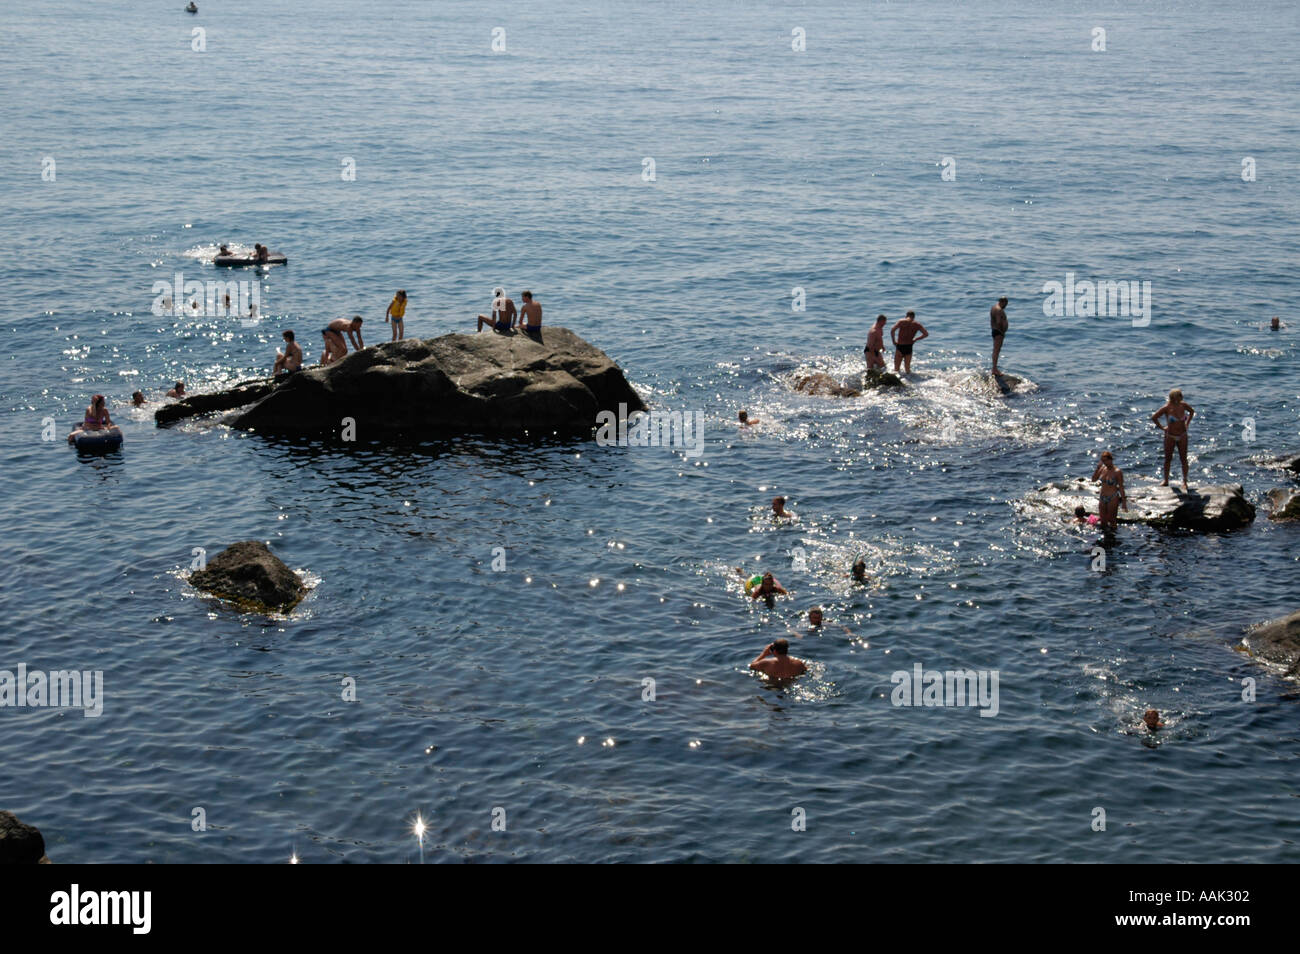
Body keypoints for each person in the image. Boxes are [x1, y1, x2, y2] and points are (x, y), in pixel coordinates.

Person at [1151, 388, 1195, 489]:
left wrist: (1187, 423)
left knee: (1183, 459)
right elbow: (1154, 417)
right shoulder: (1167, 407)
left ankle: (1184, 481)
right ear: (1174, 397)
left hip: (1182, 435)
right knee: (1168, 459)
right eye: (1179, 395)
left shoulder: (1183, 405)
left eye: (1181, 395)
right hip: (1170, 436)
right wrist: (1162, 428)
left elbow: (1192, 412)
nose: (1181, 397)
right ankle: (1166, 480)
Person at [1091, 451, 1127, 532]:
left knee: (1112, 520)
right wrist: (1097, 469)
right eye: (1103, 461)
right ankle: (1105, 540)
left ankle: (1113, 539)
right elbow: (1093, 479)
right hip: (1102, 497)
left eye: (1106, 461)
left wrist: (1124, 502)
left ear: (1110, 460)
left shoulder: (1117, 472)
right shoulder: (1103, 469)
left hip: (1112, 497)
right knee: (1103, 521)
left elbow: (1121, 487)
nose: (1105, 463)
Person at [990, 296, 1008, 374]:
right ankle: (994, 369)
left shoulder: (994, 307)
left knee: (995, 350)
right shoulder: (999, 310)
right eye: (1005, 304)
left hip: (995, 331)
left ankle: (994, 368)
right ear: (1002, 302)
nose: (1006, 306)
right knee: (996, 351)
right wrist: (1002, 332)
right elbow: (999, 322)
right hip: (998, 332)